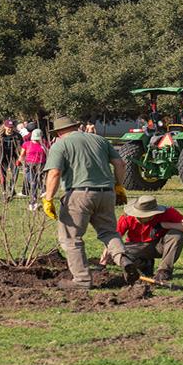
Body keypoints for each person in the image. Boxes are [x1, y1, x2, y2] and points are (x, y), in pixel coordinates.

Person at [41, 115, 139, 290]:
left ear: (59, 132)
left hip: (79, 194)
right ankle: (123, 259)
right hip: (106, 194)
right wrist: (118, 186)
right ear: (76, 127)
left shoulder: (60, 145)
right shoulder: (100, 140)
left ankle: (82, 280)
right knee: (109, 232)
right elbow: (120, 164)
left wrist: (48, 199)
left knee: (71, 238)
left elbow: (54, 173)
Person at [113, 195, 183, 283]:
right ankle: (145, 265)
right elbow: (113, 239)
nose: (138, 217)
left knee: (177, 235)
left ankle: (164, 271)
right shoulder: (127, 217)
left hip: (160, 245)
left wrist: (163, 225)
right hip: (136, 247)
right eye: (137, 214)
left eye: (142, 215)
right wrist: (103, 263)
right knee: (120, 253)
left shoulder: (167, 212)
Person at [21, 128, 47, 210]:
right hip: (29, 166)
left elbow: (48, 154)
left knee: (37, 181)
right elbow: (22, 155)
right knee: (33, 182)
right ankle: (33, 202)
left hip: (40, 165)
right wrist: (19, 162)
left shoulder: (43, 145)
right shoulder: (26, 144)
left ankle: (40, 195)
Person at [0, 120, 21, 198]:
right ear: (5, 127)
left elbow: (21, 146)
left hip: (14, 157)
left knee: (15, 173)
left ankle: (11, 187)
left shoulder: (17, 136)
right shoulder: (0, 135)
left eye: (11, 127)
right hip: (2, 157)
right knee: (3, 175)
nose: (10, 129)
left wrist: (21, 156)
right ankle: (4, 191)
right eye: (8, 127)